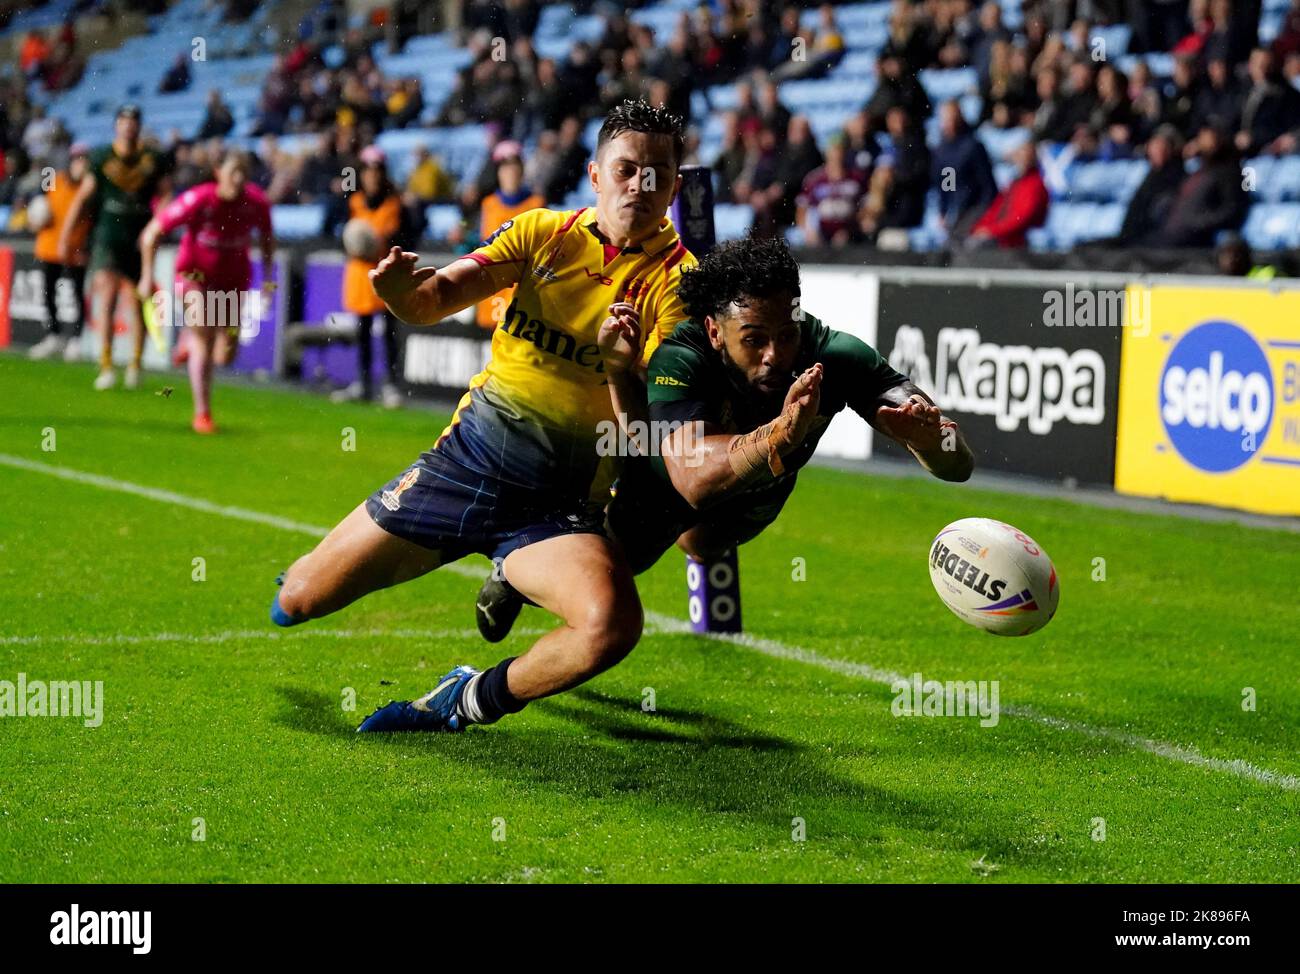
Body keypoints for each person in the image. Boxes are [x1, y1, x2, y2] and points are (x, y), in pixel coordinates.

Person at [272, 101, 698, 733]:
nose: (640, 185)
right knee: (298, 600)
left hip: (555, 510)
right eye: (627, 169)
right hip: (463, 467)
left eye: (656, 173)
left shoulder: (680, 286)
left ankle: (461, 699)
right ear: (595, 174)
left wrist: (617, 370)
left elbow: (645, 438)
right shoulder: (541, 233)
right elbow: (433, 298)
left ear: (675, 186)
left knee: (611, 627)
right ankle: (324, 571)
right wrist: (397, 295)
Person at [474, 236, 974, 639]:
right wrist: (779, 435)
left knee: (705, 545)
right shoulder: (682, 355)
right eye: (754, 339)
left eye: (787, 334)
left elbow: (960, 464)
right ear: (715, 332)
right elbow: (693, 478)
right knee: (613, 570)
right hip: (663, 483)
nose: (776, 355)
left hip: (748, 500)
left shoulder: (836, 355)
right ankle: (516, 569)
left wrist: (930, 443)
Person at [138, 149, 273, 434]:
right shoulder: (198, 199)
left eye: (243, 174)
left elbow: (268, 242)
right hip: (194, 277)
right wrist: (147, 276)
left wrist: (268, 284)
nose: (238, 179)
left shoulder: (256, 203)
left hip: (233, 283)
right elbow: (151, 234)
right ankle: (203, 414)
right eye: (233, 172)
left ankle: (189, 340)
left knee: (225, 355)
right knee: (204, 329)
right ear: (218, 172)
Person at [59, 104, 173, 391]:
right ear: (116, 126)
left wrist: (158, 226)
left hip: (140, 240)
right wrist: (66, 235)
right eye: (123, 120)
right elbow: (84, 196)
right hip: (108, 237)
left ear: (139, 126)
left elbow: (166, 195)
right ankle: (106, 365)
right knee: (107, 297)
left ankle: (135, 364)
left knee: (138, 302)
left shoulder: (153, 159)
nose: (128, 126)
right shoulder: (100, 158)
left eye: (133, 121)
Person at [332, 146, 405, 408]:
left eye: (376, 171)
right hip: (361, 275)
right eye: (368, 171)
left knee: (389, 331)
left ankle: (391, 385)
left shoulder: (395, 203)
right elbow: (337, 231)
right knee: (363, 330)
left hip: (386, 274)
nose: (372, 177)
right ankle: (363, 382)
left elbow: (403, 237)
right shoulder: (353, 201)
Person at [28, 142, 92, 362]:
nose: (79, 165)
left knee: (77, 295)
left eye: (83, 160)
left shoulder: (90, 187)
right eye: (77, 160)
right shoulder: (53, 180)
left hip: (76, 250)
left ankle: (75, 339)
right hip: (49, 247)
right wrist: (35, 217)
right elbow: (37, 205)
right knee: (47, 293)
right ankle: (53, 335)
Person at [475, 143, 544, 329]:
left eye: (514, 165)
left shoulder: (537, 204)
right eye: (505, 166)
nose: (510, 171)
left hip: (524, 292)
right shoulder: (488, 204)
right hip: (494, 289)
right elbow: (476, 242)